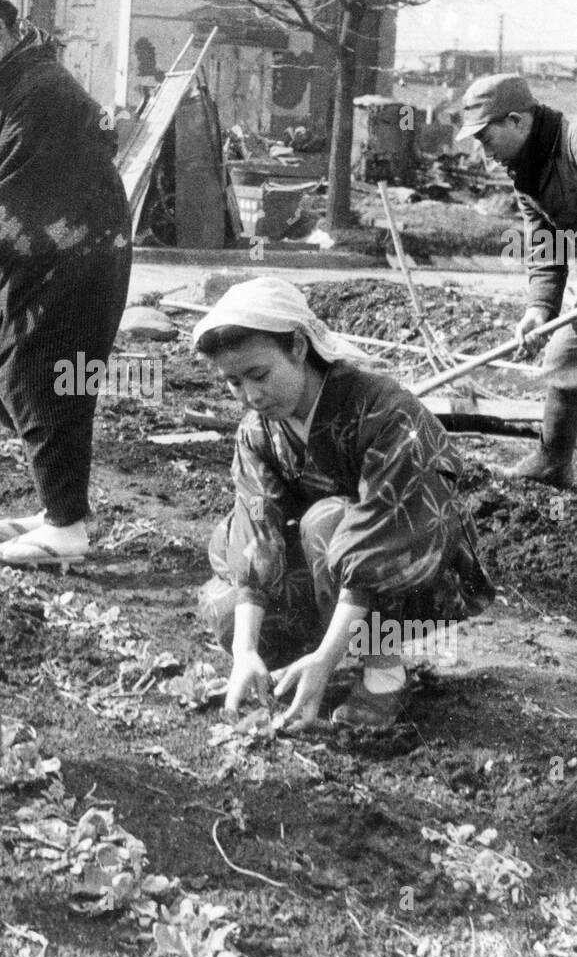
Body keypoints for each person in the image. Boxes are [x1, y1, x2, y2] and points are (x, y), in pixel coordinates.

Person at [193, 278, 492, 732]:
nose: (250, 397)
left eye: (259, 375)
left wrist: (329, 659)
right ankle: (312, 656)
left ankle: (384, 671)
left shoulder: (385, 413)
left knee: (326, 522)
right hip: (334, 571)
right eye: (233, 382)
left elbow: (385, 541)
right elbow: (256, 533)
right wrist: (244, 652)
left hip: (419, 575)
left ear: (297, 347)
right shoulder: (258, 431)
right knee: (228, 595)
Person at [0, 0, 132, 567]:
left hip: (79, 255)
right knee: (22, 369)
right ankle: (57, 507)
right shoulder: (1, 80)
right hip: (47, 252)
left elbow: (24, 193)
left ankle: (67, 526)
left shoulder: (40, 90)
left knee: (46, 376)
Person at [456, 72, 577, 486]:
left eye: (486, 140)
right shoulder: (526, 175)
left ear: (516, 122)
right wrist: (539, 309)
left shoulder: (574, 142)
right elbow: (547, 245)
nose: (485, 154)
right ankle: (554, 459)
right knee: (564, 354)